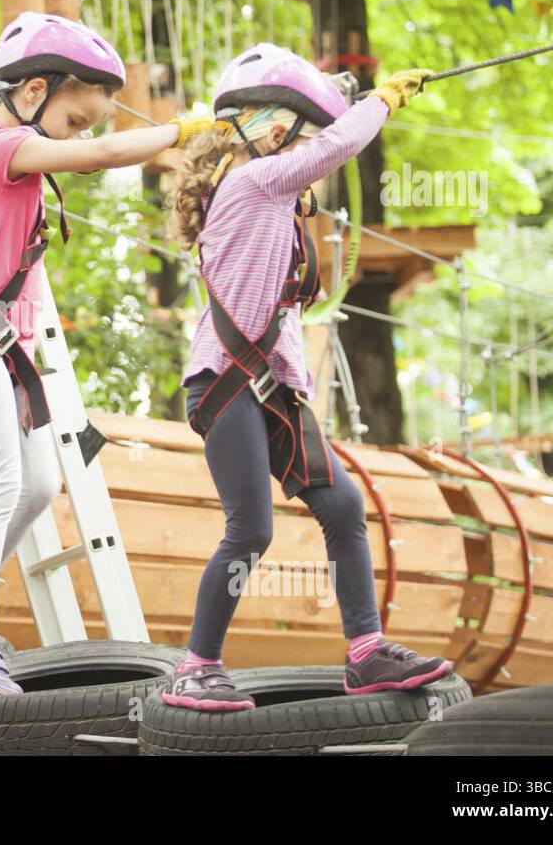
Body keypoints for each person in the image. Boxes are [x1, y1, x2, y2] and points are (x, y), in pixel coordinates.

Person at [0, 12, 210, 694]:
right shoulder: (0, 147)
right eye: (76, 120)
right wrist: (187, 131)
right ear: (34, 90)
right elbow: (108, 158)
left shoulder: (14, 155)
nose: (82, 136)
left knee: (40, 484)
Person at [157, 44, 452, 710]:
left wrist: (341, 96)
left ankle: (366, 653)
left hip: (272, 387)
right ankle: (196, 665)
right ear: (272, 132)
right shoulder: (252, 183)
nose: (310, 155)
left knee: (344, 508)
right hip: (227, 383)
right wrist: (382, 99)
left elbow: (324, 152)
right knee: (251, 529)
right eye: (303, 139)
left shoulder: (273, 205)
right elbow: (336, 148)